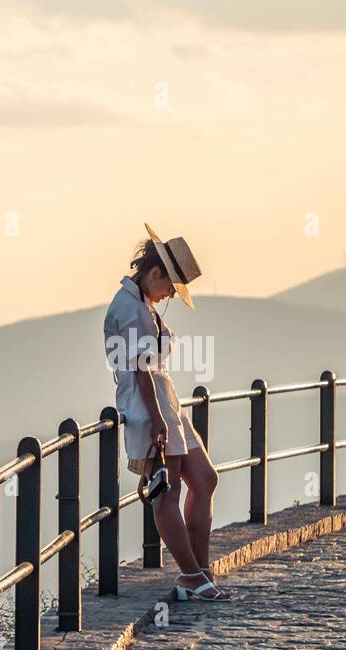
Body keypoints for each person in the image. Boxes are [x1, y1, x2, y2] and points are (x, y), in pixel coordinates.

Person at [104, 223, 232, 601]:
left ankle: (199, 572)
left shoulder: (139, 303)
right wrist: (158, 419)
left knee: (204, 479)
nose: (169, 295)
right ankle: (194, 577)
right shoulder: (131, 308)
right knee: (167, 492)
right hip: (149, 405)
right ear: (155, 272)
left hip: (163, 399)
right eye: (170, 288)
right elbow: (140, 368)